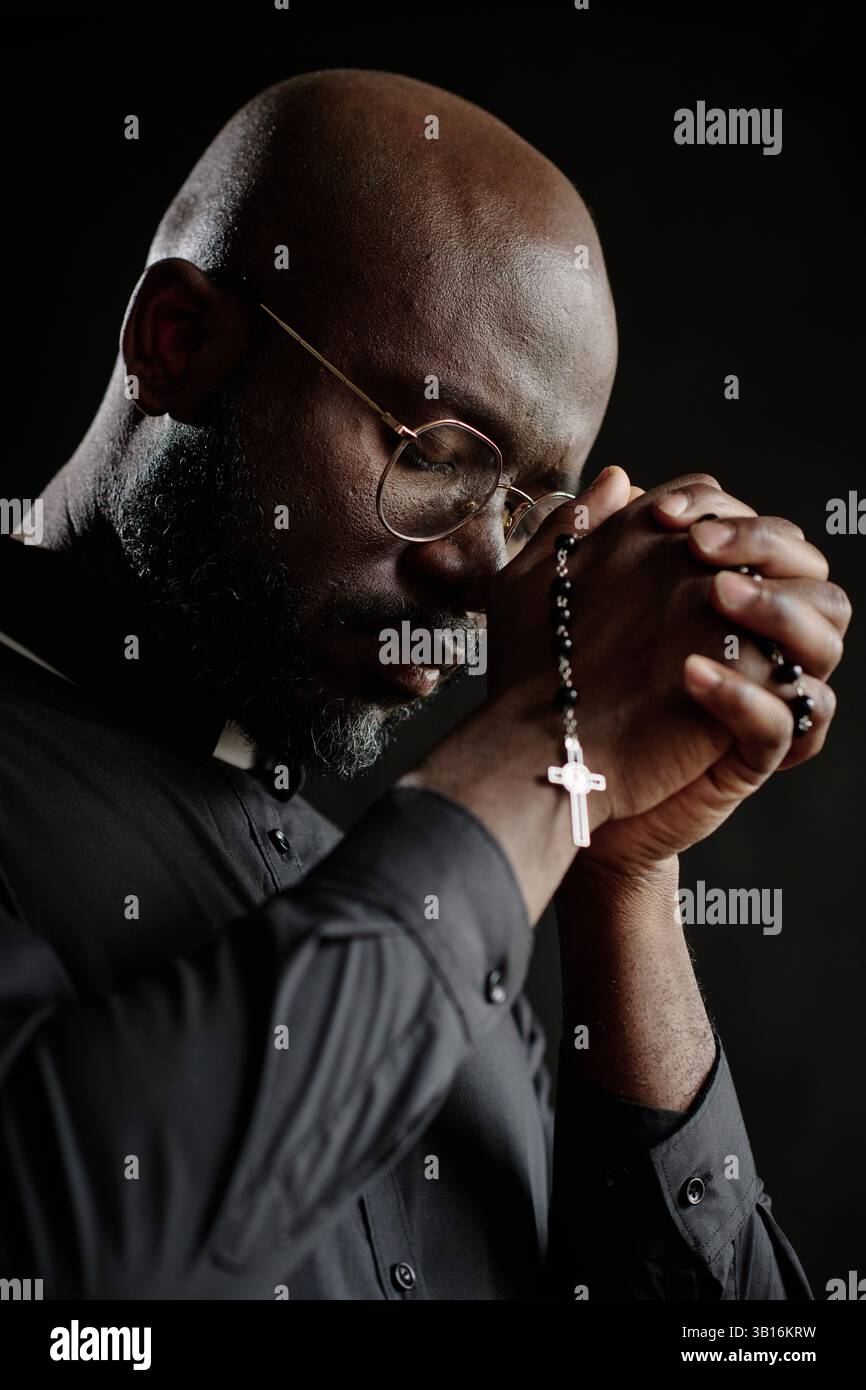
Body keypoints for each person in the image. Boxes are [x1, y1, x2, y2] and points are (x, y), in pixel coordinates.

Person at [0, 69, 849, 1300]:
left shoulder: (428, 906)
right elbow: (74, 1243)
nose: (479, 573)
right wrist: (556, 730)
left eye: (528, 508)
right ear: (176, 344)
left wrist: (615, 865)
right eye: (436, 455)